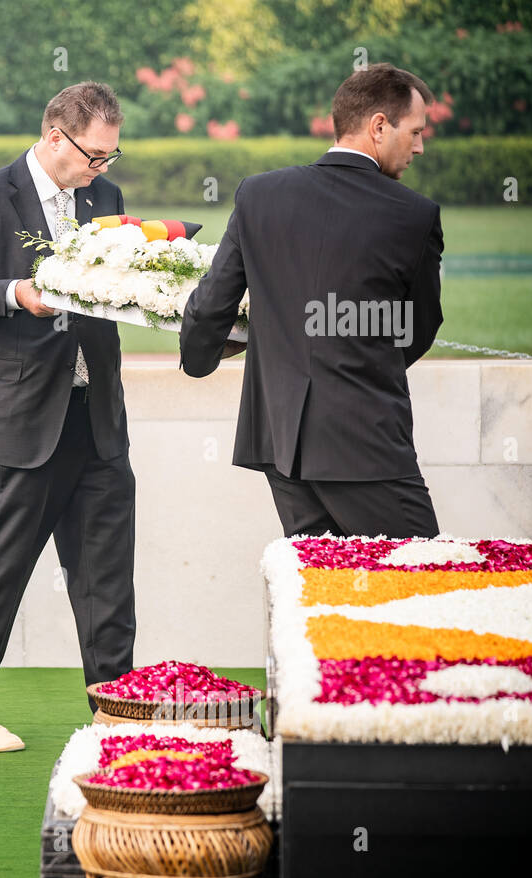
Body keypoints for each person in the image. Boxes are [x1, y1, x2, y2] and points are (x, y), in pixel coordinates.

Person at [0, 82, 137, 753]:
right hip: (21, 416)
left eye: (109, 156)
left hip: (97, 412)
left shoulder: (105, 197)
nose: (101, 168)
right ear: (54, 136)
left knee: (106, 571)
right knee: (4, 565)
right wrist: (17, 294)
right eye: (93, 155)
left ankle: (114, 709)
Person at [180, 63, 443, 539]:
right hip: (368, 446)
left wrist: (199, 360)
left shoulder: (258, 194)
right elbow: (420, 327)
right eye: (417, 131)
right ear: (379, 126)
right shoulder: (415, 215)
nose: (420, 146)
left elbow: (211, 304)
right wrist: (360, 372)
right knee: (424, 583)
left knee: (320, 595)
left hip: (280, 442)